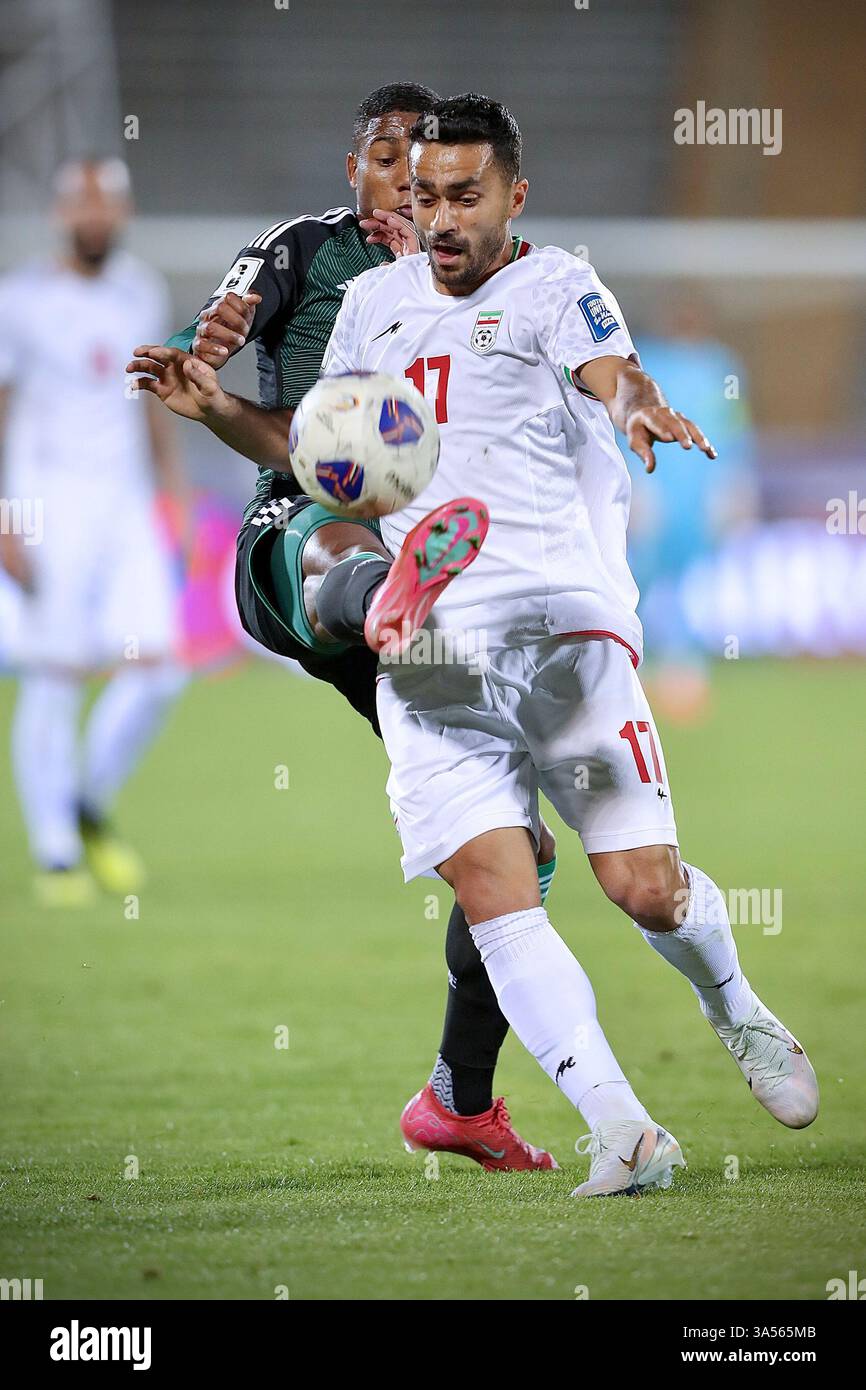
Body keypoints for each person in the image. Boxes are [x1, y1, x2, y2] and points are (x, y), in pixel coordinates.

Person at [315, 93, 818, 1197]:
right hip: (435, 659)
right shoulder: (366, 308)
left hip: (562, 641)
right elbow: (342, 480)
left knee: (642, 887)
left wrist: (634, 400)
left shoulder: (559, 289)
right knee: (498, 890)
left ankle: (732, 1005)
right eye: (423, 195)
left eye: (464, 195)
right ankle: (623, 1131)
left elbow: (609, 373)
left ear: (513, 196)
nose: (439, 217)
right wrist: (354, 570)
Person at [127, 84, 557, 1172]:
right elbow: (215, 327)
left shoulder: (494, 278)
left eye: (424, 169)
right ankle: (382, 596)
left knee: (520, 850)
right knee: (342, 534)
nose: (401, 183)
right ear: (353, 171)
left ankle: (458, 1098)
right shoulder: (306, 253)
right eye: (381, 158)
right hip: (304, 526)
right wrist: (202, 352)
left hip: (433, 555)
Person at [0, 157, 187, 906]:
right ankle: (54, 856)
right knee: (55, 674)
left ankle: (81, 805)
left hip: (128, 504)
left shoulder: (140, 290)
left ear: (123, 212)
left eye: (106, 205)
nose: (94, 217)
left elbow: (150, 402)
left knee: (161, 671)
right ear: (60, 214)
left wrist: (174, 493)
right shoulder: (21, 300)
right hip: (48, 504)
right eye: (82, 205)